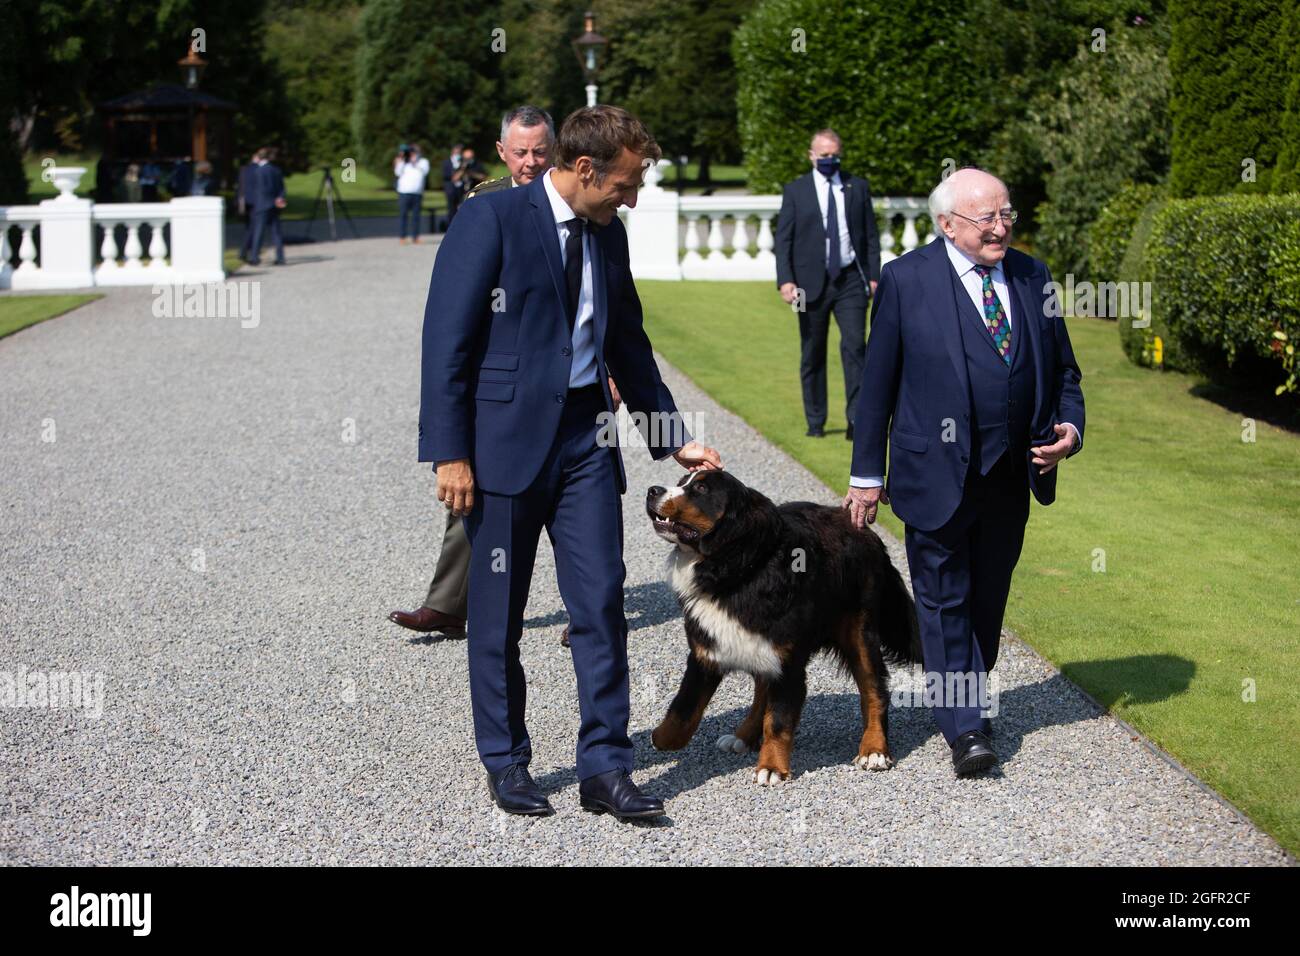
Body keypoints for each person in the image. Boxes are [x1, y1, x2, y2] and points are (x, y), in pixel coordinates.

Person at [419, 105, 722, 819]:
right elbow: (445, 343)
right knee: (497, 614)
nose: (633, 197)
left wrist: (671, 435)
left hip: (588, 444)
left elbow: (628, 345)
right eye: (626, 183)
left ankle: (605, 768)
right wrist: (449, 453)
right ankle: (507, 761)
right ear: (584, 169)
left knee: (600, 604)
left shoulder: (607, 235)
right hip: (499, 451)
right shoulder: (489, 221)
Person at [843, 167, 1085, 777]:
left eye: (1008, 215)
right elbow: (877, 389)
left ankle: (962, 693)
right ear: (948, 225)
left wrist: (1069, 431)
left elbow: (1064, 373)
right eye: (988, 219)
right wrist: (867, 474)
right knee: (943, 597)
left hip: (1012, 472)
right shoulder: (905, 280)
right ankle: (966, 727)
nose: (1001, 227)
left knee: (987, 599)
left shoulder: (1033, 276)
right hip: (933, 472)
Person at [392, 106, 566, 641]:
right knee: (473, 487)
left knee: (570, 496)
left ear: (555, 149)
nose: (532, 162)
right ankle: (449, 603)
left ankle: (587, 610)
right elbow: (456, 298)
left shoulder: (577, 199)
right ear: (501, 152)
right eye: (521, 152)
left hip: (552, 368)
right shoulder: (484, 200)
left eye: (541, 151)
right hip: (493, 368)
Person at [774, 128, 881, 439]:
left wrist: (874, 276)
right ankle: (816, 421)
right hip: (809, 284)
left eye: (835, 155)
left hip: (850, 279)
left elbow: (870, 237)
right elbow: (784, 240)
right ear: (811, 156)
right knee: (812, 350)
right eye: (824, 156)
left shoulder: (857, 187)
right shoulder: (796, 191)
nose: (830, 160)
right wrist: (786, 280)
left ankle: (856, 421)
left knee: (855, 348)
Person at [247, 147, 287, 267]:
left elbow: (257, 189)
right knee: (276, 233)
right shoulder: (276, 170)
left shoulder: (258, 171)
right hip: (274, 203)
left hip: (262, 204)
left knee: (259, 231)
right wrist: (279, 198)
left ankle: (255, 257)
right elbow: (282, 188)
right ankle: (280, 257)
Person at [394, 143, 430, 244]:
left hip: (417, 193)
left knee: (416, 216)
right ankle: (402, 236)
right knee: (403, 215)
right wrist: (402, 161)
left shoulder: (423, 162)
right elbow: (397, 172)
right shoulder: (403, 162)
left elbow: (425, 171)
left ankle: (415, 237)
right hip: (404, 192)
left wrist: (415, 162)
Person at [236, 156, 257, 262]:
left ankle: (245, 251)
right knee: (253, 228)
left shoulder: (244, 170)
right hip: (255, 202)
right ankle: (245, 251)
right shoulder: (257, 170)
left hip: (245, 202)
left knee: (249, 227)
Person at [441, 144, 464, 225]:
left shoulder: (462, 162)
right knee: (451, 208)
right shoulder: (446, 162)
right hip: (450, 188)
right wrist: (456, 175)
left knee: (460, 207)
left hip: (460, 188)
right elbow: (445, 175)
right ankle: (450, 226)